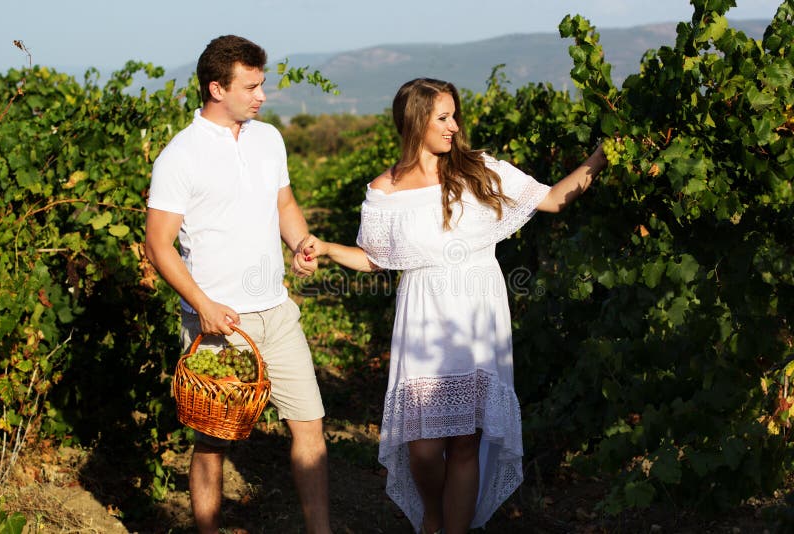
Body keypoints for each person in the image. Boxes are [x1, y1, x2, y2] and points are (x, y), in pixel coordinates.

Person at [300, 77, 608, 534]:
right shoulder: (385, 189)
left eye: (454, 115)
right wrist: (325, 247)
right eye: (443, 117)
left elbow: (553, 200)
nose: (454, 125)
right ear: (415, 120)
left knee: (465, 440)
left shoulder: (479, 169)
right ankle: (434, 515)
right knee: (423, 448)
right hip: (424, 318)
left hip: (476, 313)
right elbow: (373, 258)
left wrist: (603, 156)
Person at [144, 35, 330, 534]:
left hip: (277, 311)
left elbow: (284, 204)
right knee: (212, 440)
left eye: (261, 84)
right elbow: (158, 243)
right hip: (219, 321)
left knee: (310, 427)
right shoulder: (179, 156)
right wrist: (201, 304)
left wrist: (299, 243)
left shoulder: (269, 139)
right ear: (216, 88)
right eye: (251, 86)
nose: (261, 95)